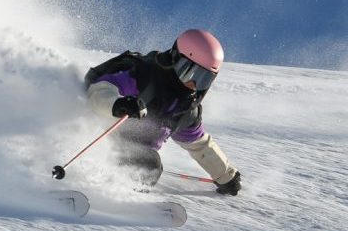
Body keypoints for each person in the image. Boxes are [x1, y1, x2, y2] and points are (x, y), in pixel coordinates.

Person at [83, 28, 241, 195]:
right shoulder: (143, 76)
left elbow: (200, 145)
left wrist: (226, 176)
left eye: (203, 79)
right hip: (96, 139)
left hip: (134, 153)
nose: (193, 84)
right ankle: (111, 194)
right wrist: (117, 104)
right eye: (190, 72)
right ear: (175, 59)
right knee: (151, 165)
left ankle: (123, 191)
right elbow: (99, 91)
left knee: (149, 165)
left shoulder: (186, 110)